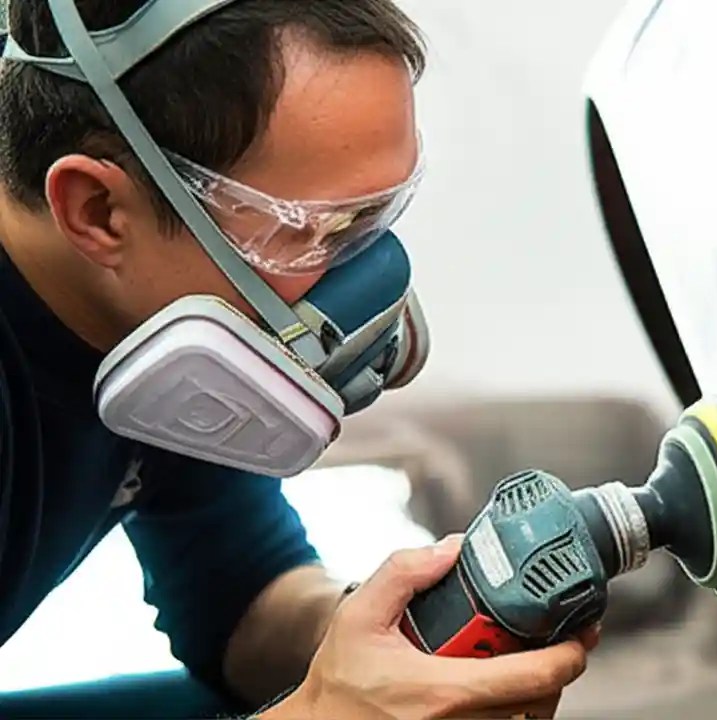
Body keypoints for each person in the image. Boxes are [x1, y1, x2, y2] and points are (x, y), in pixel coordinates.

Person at [0, 1, 595, 718]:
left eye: (378, 220)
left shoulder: (170, 332)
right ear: (99, 210)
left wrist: (392, 643)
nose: (367, 279)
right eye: (319, 232)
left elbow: (239, 594)